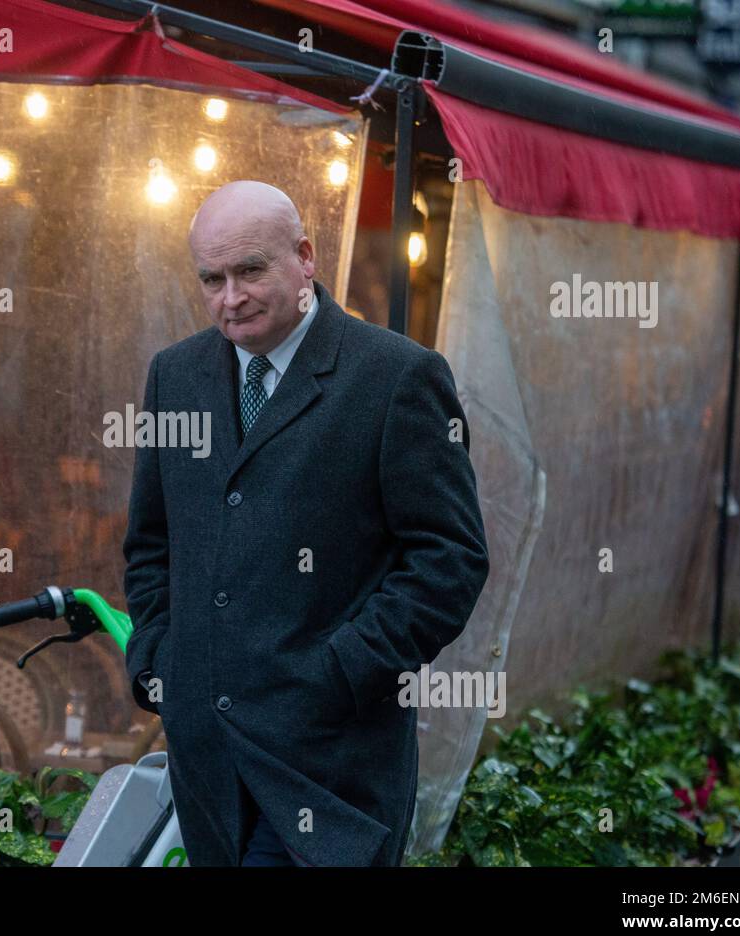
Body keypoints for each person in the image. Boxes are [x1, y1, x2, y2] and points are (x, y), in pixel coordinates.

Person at [122, 180, 489, 866]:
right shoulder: (176, 375)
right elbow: (152, 544)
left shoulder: (397, 378)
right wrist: (159, 661)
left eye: (250, 271)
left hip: (330, 768)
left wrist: (342, 671)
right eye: (212, 279)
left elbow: (450, 560)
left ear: (305, 257)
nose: (230, 298)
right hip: (209, 763)